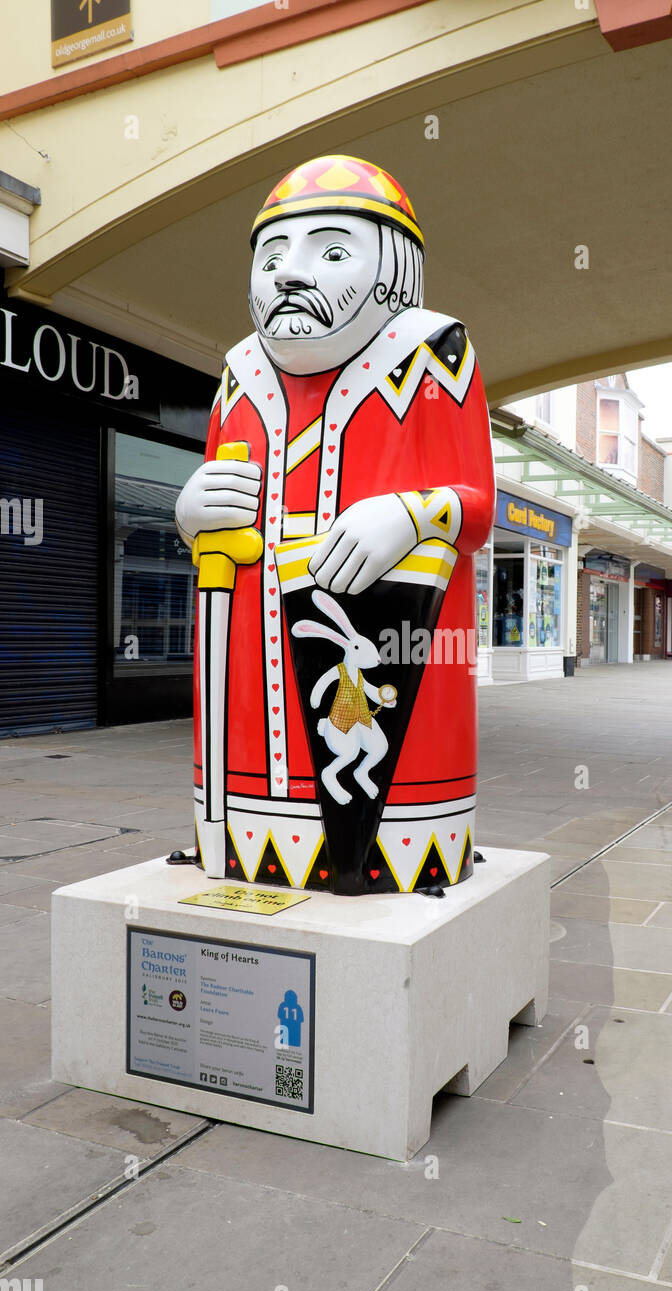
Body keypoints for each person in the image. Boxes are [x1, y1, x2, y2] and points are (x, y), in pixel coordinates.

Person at [175, 155, 495, 894]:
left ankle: (380, 858)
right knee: (242, 780)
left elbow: (476, 506)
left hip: (388, 644)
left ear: (393, 270)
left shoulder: (435, 352)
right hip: (245, 656)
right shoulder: (238, 375)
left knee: (383, 756)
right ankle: (233, 842)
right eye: (273, 254)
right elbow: (212, 512)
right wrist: (189, 512)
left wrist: (413, 514)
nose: (289, 273)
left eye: (333, 250)